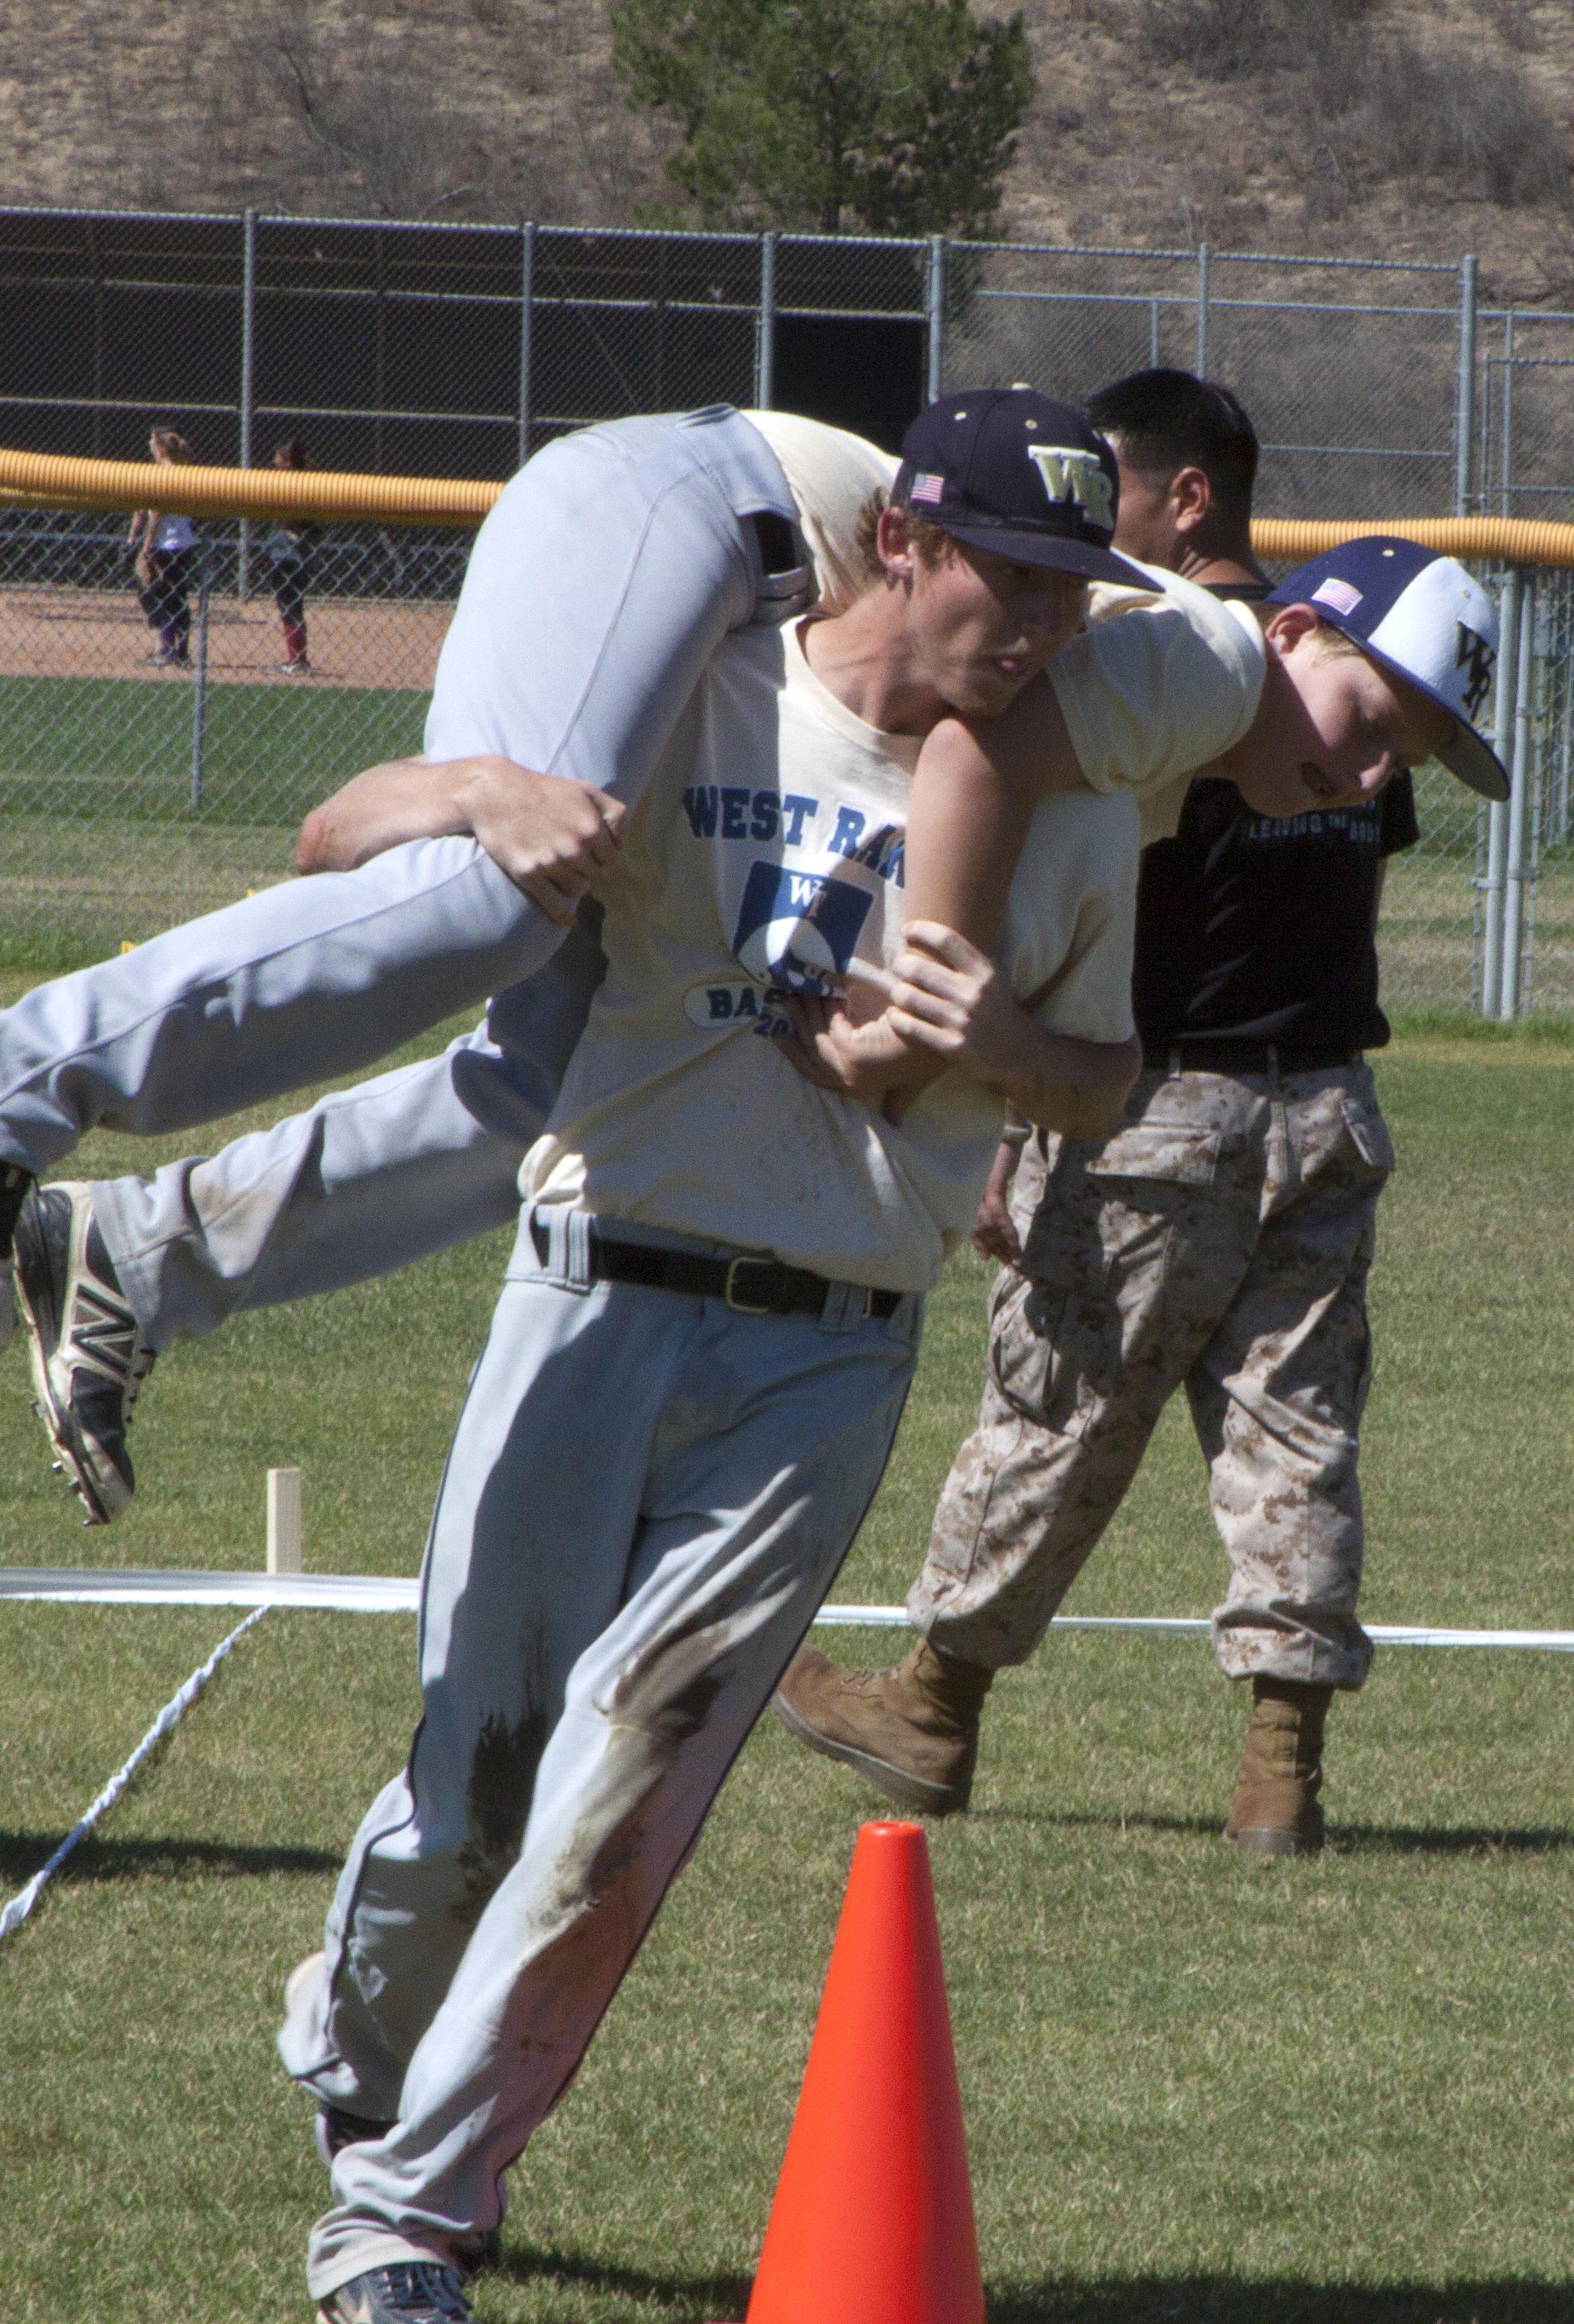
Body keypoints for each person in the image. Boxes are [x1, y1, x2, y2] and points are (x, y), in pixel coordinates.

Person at [276, 390, 1165, 2324]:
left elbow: (1110, 1079)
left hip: (832, 1349)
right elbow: (337, 834)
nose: (1032, 628)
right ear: (908, 542)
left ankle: (408, 2216)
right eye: (1006, 575)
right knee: (477, 1776)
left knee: (629, 1790)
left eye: (1072, 596)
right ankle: (355, 2057)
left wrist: (999, 1043)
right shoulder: (699, 687)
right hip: (595, 1281)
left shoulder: (1073, 801)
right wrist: (474, 795)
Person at [0, 402, 1270, 1520]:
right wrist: (917, 1034)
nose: (1359, 769)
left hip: (723, 584)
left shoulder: (1150, 705)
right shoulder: (1214, 661)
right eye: (1368, 722)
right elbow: (980, 742)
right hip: (691, 501)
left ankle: (128, 1258)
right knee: (498, 892)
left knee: (543, 1098)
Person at [772, 370, 1505, 1859]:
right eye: (1376, 726)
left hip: (1168, 1108)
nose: (1369, 776)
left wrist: (959, 1064)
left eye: (1401, 756)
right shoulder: (1240, 691)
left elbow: (1016, 806)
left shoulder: (1211, 689)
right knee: (1295, 1435)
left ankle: (935, 1704)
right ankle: (1279, 1774)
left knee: (1059, 1415)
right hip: (1320, 1101)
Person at [130, 428, 201, 668]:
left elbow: (157, 512)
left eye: (152, 444)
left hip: (165, 544)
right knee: (179, 597)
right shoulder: (185, 472)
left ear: (160, 449)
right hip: (184, 543)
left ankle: (167, 649)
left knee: (159, 596)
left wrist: (147, 544)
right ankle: (181, 652)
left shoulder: (162, 473)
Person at [261, 439, 322, 676]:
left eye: (279, 459)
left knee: (290, 603)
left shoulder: (293, 484)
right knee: (291, 603)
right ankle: (297, 658)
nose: (275, 463)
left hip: (292, 550)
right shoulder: (307, 480)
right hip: (298, 549)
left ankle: (297, 660)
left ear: (287, 462)